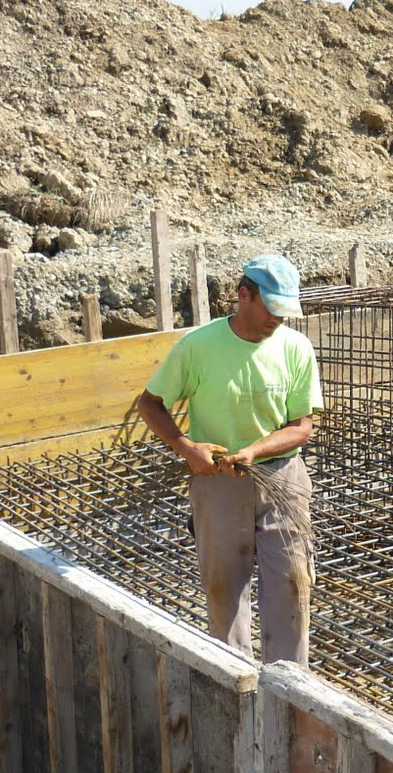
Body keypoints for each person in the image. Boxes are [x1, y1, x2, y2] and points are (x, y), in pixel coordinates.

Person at [134, 254, 322, 666]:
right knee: (224, 589)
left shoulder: (295, 348)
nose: (278, 319)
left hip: (282, 478)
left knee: (291, 585)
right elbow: (150, 404)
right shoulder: (198, 346)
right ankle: (234, 681)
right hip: (218, 481)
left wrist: (256, 450)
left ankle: (290, 686)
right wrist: (187, 448)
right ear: (244, 295)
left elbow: (301, 427)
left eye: (284, 311)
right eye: (271, 308)